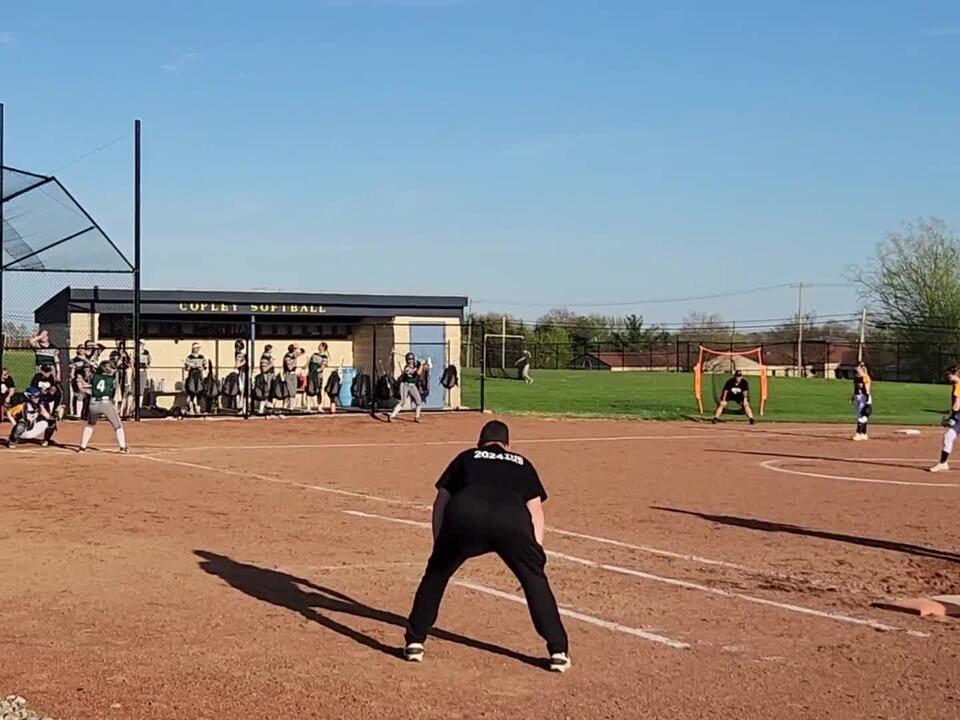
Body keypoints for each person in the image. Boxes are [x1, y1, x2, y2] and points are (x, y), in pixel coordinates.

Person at [404, 420, 570, 672]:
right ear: (508, 445)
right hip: (511, 522)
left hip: (465, 517)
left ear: (479, 442)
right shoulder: (522, 462)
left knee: (436, 576)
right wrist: (535, 555)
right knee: (534, 581)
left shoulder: (466, 457)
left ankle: (415, 642)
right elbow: (535, 510)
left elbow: (441, 501)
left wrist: (440, 544)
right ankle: (558, 650)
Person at [78, 358, 129, 454]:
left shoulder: (94, 376)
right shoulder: (111, 378)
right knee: (117, 425)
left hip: (93, 403)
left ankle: (82, 447)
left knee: (90, 424)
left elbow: (95, 374)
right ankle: (123, 447)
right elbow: (113, 371)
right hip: (105, 403)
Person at [930, 366, 960, 472]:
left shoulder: (959, 385)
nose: (948, 377)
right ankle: (943, 463)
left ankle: (943, 463)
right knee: (948, 436)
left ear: (956, 374)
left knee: (948, 436)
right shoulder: (957, 385)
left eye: (949, 374)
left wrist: (952, 417)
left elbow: (957, 404)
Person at [388, 352, 430, 423]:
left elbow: (425, 368)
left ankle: (417, 417)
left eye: (411, 359)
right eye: (409, 359)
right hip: (405, 385)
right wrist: (421, 365)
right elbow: (417, 373)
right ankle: (391, 416)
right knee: (403, 402)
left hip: (412, 385)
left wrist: (423, 364)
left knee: (419, 402)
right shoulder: (406, 368)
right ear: (407, 360)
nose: (410, 360)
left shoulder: (415, 364)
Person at [183, 343, 207, 415]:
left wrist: (202, 368)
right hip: (192, 376)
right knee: (191, 393)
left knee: (200, 393)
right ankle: (191, 409)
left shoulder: (202, 357)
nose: (196, 350)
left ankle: (198, 408)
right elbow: (186, 368)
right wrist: (188, 366)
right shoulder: (189, 357)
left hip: (199, 376)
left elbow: (205, 366)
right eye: (195, 348)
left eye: (197, 348)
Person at [851, 361, 872, 441]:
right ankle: (864, 434)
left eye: (857, 367)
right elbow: (855, 389)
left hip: (864, 397)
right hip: (857, 397)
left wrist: (867, 401)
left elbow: (867, 389)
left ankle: (858, 433)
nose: (856, 368)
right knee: (859, 415)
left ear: (861, 368)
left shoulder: (865, 377)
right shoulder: (856, 377)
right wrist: (853, 397)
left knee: (862, 414)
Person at [305, 343, 329, 413]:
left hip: (318, 376)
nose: (319, 347)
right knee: (309, 390)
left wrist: (317, 370)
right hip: (311, 375)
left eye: (321, 346)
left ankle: (319, 407)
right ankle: (308, 407)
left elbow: (323, 367)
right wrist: (306, 369)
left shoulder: (324, 357)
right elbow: (309, 362)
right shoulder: (314, 354)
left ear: (323, 348)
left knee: (318, 391)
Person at [281, 344, 303, 411]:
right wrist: (294, 361)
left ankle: (287, 405)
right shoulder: (287, 357)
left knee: (292, 389)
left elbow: (302, 351)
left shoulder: (293, 356)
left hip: (293, 374)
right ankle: (290, 406)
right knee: (291, 390)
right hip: (289, 374)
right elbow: (289, 367)